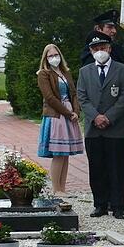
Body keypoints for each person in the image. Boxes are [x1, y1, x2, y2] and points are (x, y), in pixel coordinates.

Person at [76, 31, 124, 219]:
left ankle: (117, 205)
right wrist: (96, 117)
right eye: (95, 49)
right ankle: (100, 204)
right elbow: (82, 97)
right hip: (93, 129)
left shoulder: (123, 70)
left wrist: (108, 117)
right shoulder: (85, 72)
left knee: (117, 168)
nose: (99, 51)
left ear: (109, 48)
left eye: (102, 47)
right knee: (97, 168)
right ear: (91, 51)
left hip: (115, 128)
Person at [36, 43, 83, 192]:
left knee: (65, 154)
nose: (54, 58)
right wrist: (68, 113)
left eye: (56, 55)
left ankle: (63, 188)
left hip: (70, 114)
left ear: (60, 56)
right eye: (50, 56)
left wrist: (76, 112)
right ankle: (56, 189)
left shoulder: (65, 72)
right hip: (57, 115)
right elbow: (50, 98)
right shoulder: (44, 74)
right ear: (45, 58)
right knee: (59, 154)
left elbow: (74, 93)